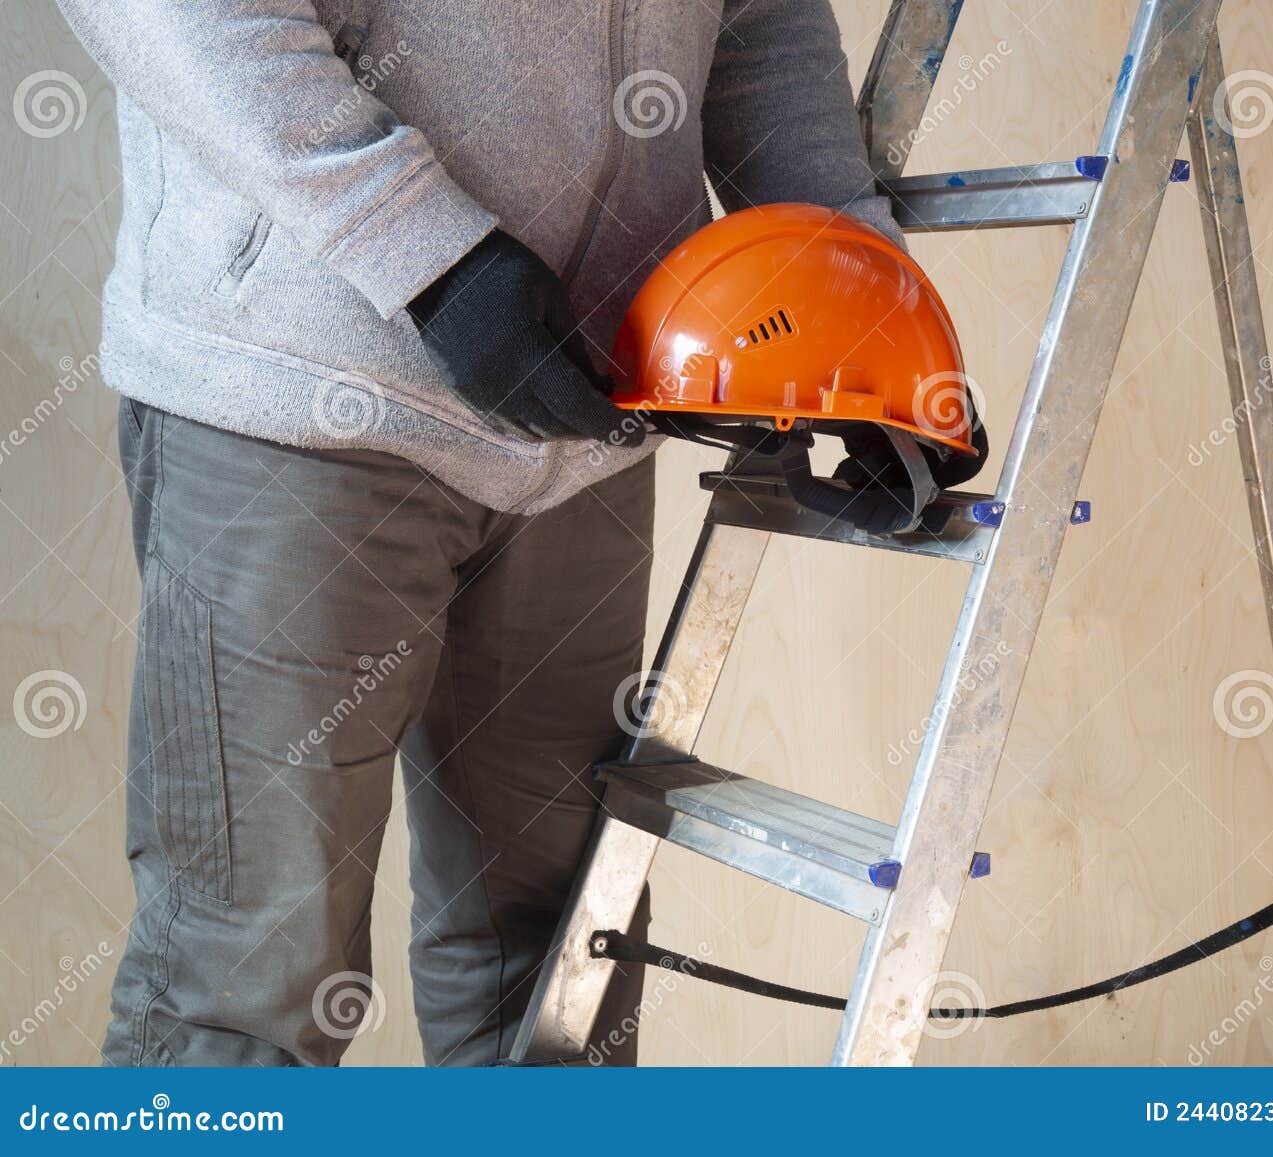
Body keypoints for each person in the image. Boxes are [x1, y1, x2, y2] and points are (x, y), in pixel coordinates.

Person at [57, 0, 904, 1067]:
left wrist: (862, 314)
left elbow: (759, 26)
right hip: (303, 396)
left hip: (583, 413)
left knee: (559, 969)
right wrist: (432, 258)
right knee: (245, 979)